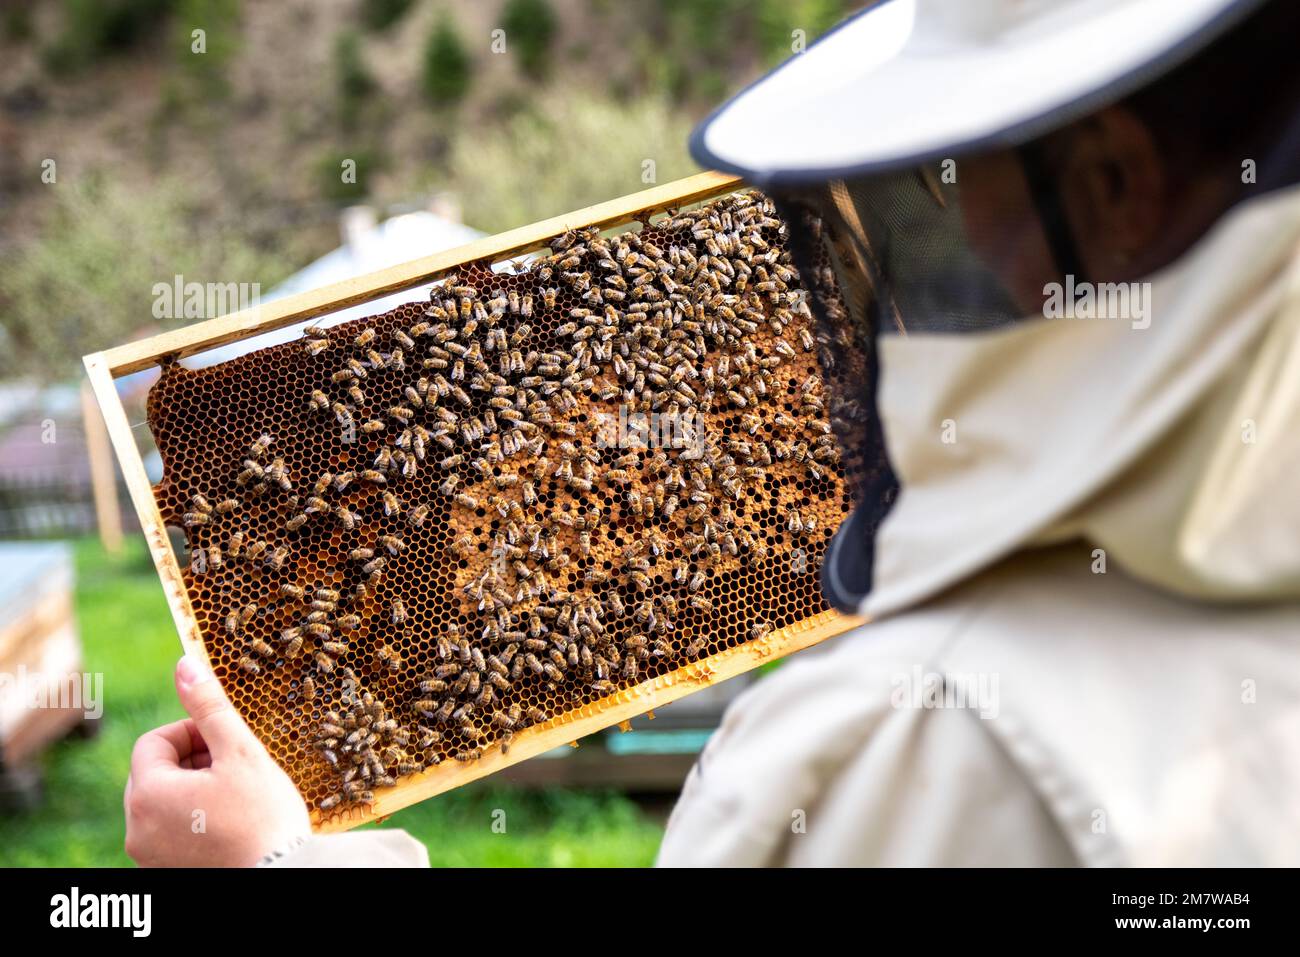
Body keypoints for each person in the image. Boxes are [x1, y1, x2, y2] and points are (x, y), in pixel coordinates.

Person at [126, 0, 1300, 867]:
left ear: (1107, 186)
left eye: (956, 175)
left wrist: (275, 868)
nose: (942, 229)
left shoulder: (909, 752)